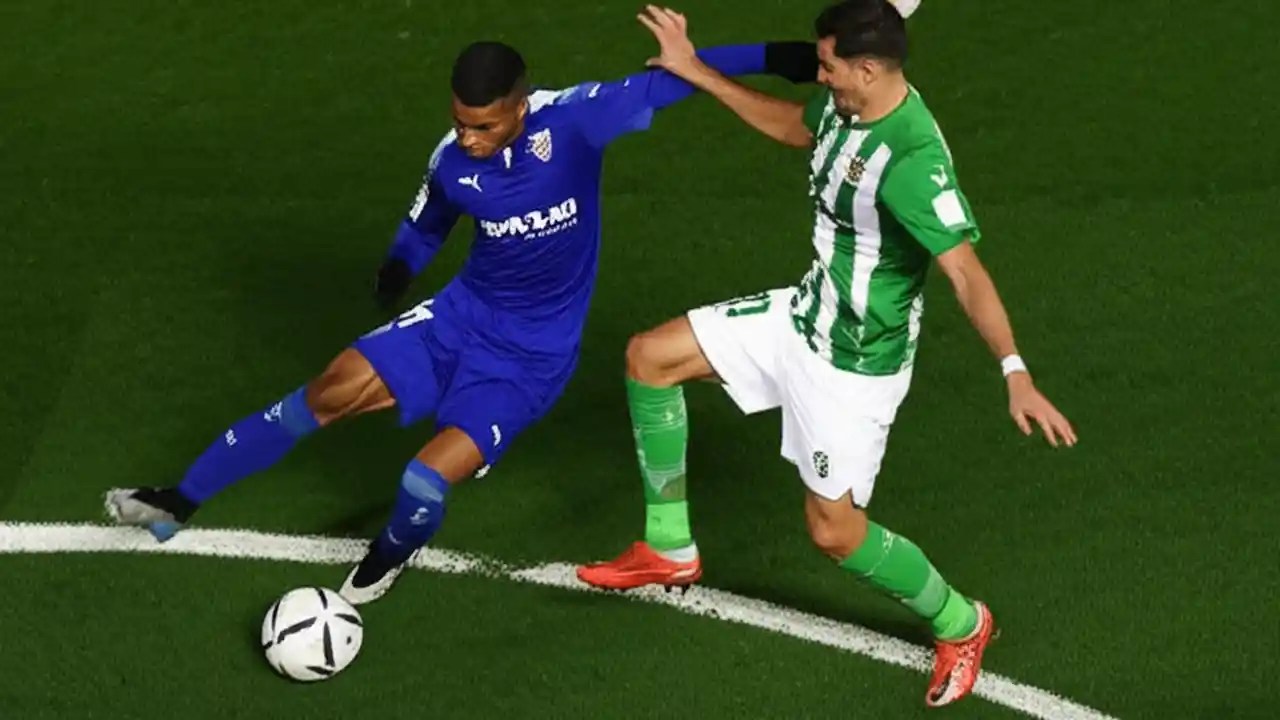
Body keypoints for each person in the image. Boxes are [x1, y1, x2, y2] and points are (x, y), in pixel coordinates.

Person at [105, 29, 817, 606]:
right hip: (457, 319)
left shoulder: (573, 122)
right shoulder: (453, 160)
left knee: (422, 481)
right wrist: (397, 269)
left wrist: (787, 59)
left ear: (519, 107)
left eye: (482, 125)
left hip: (532, 359)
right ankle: (179, 501)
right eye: (459, 123)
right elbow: (427, 223)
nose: (468, 138)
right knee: (325, 393)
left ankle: (384, 560)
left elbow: (681, 76)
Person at [577, 2, 1076, 708]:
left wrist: (1015, 373)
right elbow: (795, 126)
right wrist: (697, 72)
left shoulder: (910, 160)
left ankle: (963, 622)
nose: (819, 75)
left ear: (868, 69)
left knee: (832, 531)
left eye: (829, 66)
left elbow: (966, 272)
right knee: (649, 358)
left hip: (854, 367)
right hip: (803, 314)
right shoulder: (848, 105)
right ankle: (669, 547)